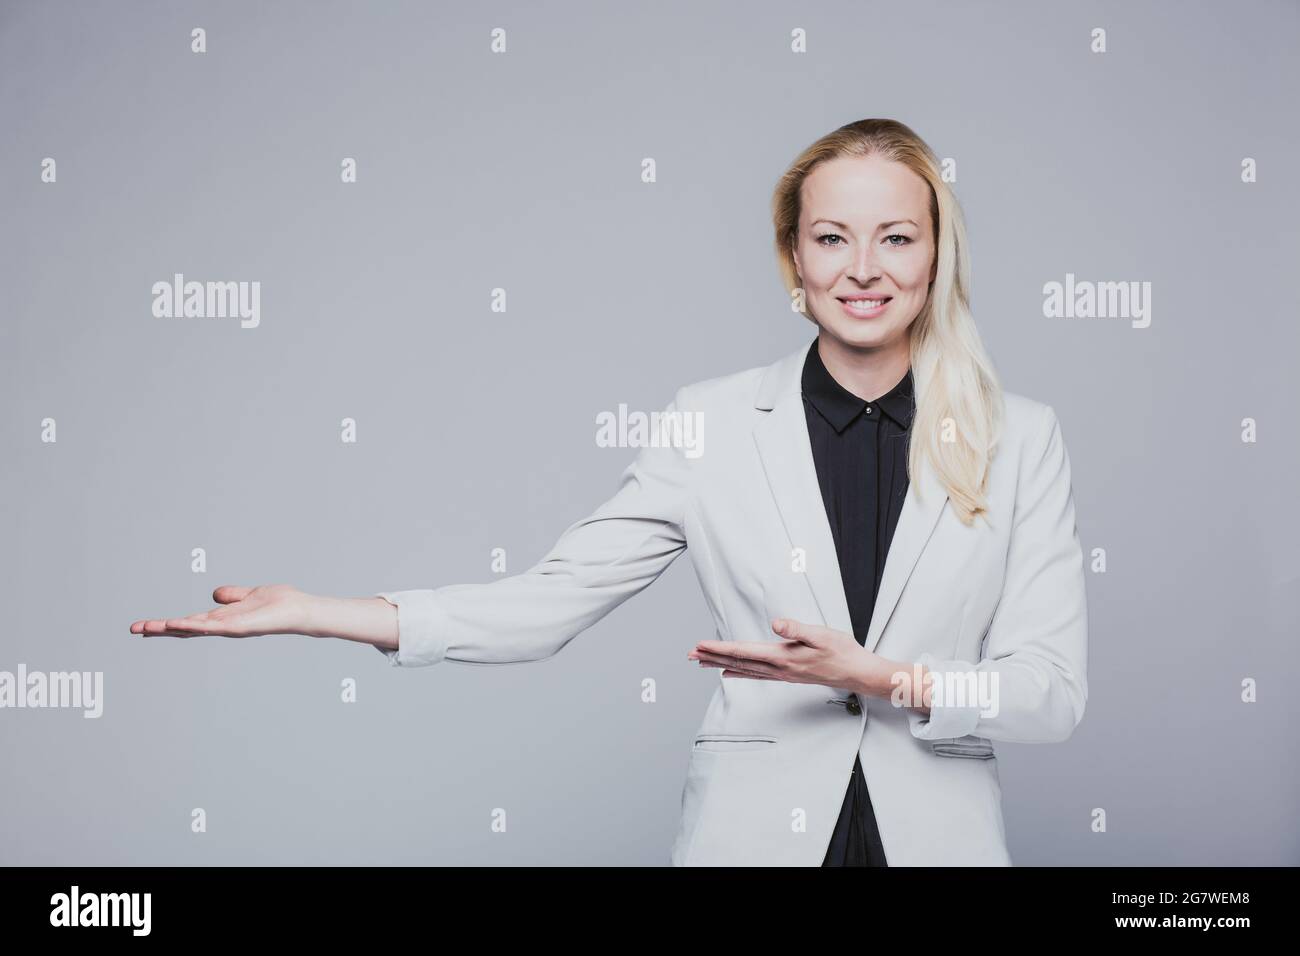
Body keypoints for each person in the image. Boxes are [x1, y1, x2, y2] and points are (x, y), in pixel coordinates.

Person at [130, 118, 1089, 866]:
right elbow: (544, 605)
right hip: (752, 841)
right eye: (832, 237)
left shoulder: (1023, 436)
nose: (864, 269)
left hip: (939, 841)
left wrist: (881, 678)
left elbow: (1050, 696)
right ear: (794, 260)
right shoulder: (707, 424)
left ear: (936, 256)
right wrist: (318, 612)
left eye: (896, 238)